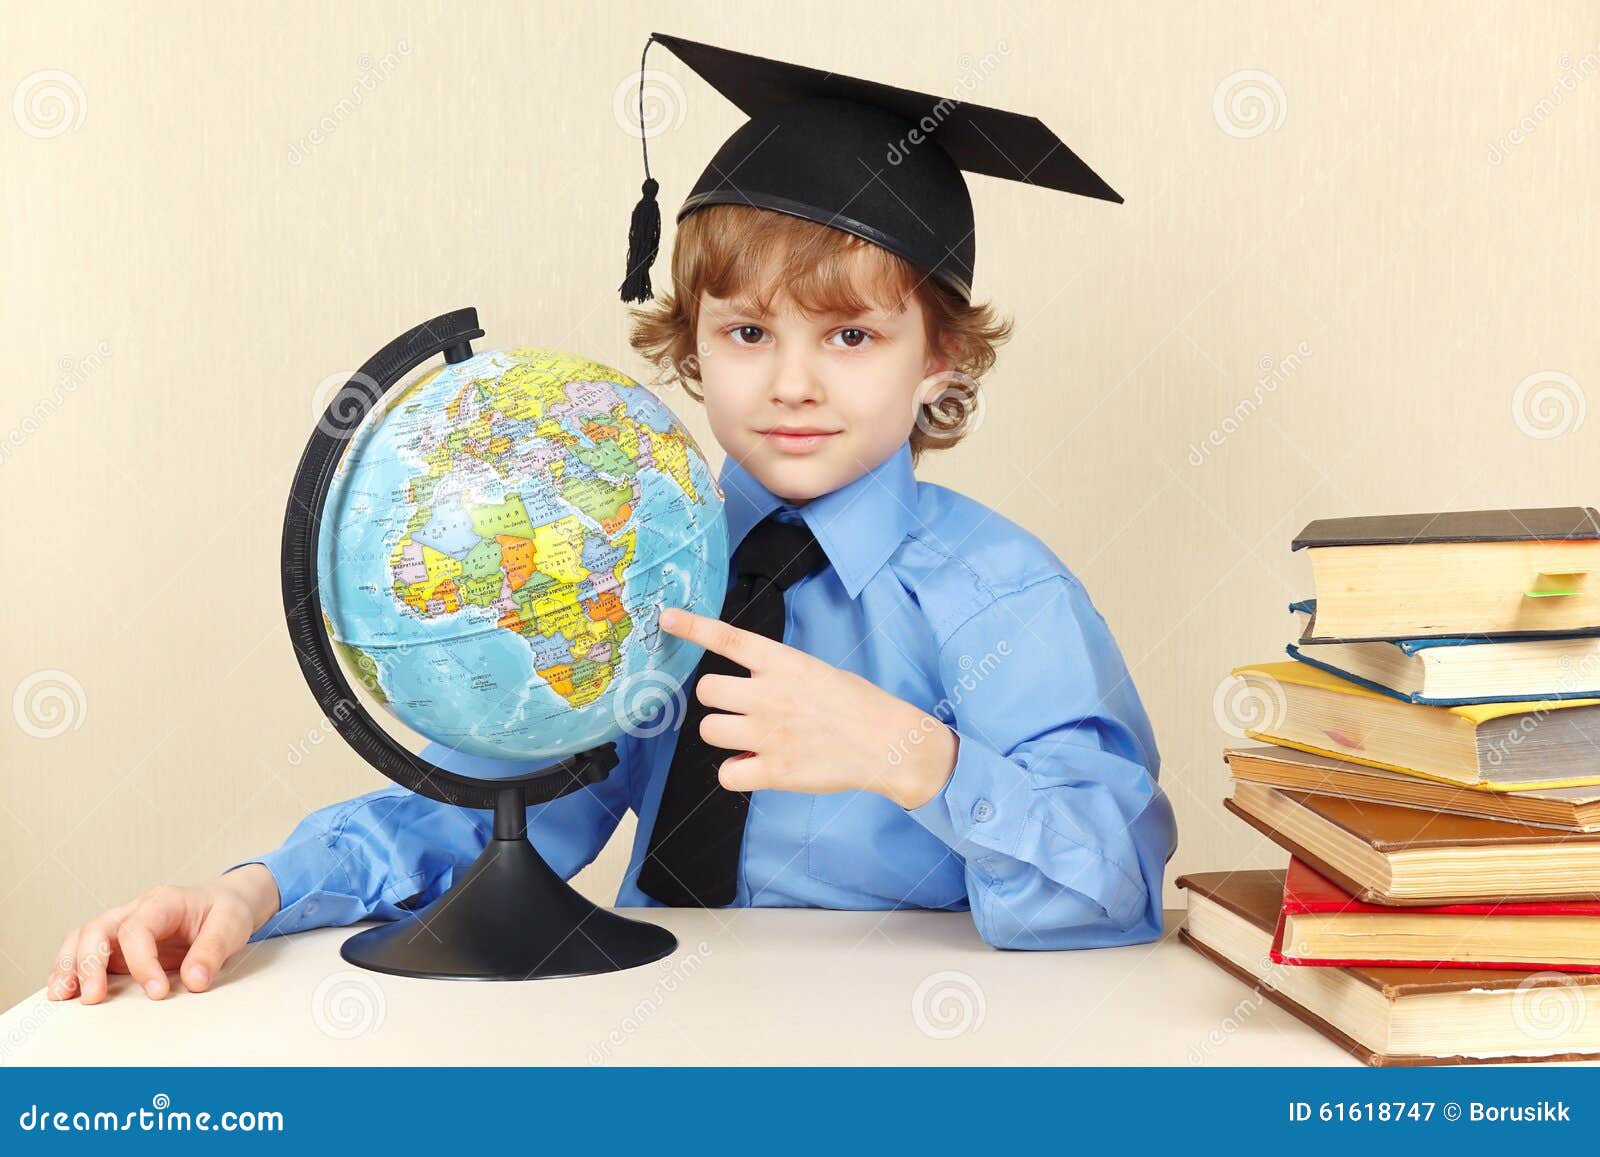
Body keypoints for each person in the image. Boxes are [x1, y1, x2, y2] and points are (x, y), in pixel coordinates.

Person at [46, 32, 1177, 1003]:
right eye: (746, 332)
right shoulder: (629, 555)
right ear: (690, 343)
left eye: (849, 336)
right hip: (653, 1038)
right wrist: (251, 890)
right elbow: (499, 808)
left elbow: (1113, 886)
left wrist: (910, 753)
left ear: (937, 358)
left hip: (904, 1048)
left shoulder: (1004, 596)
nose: (791, 383)